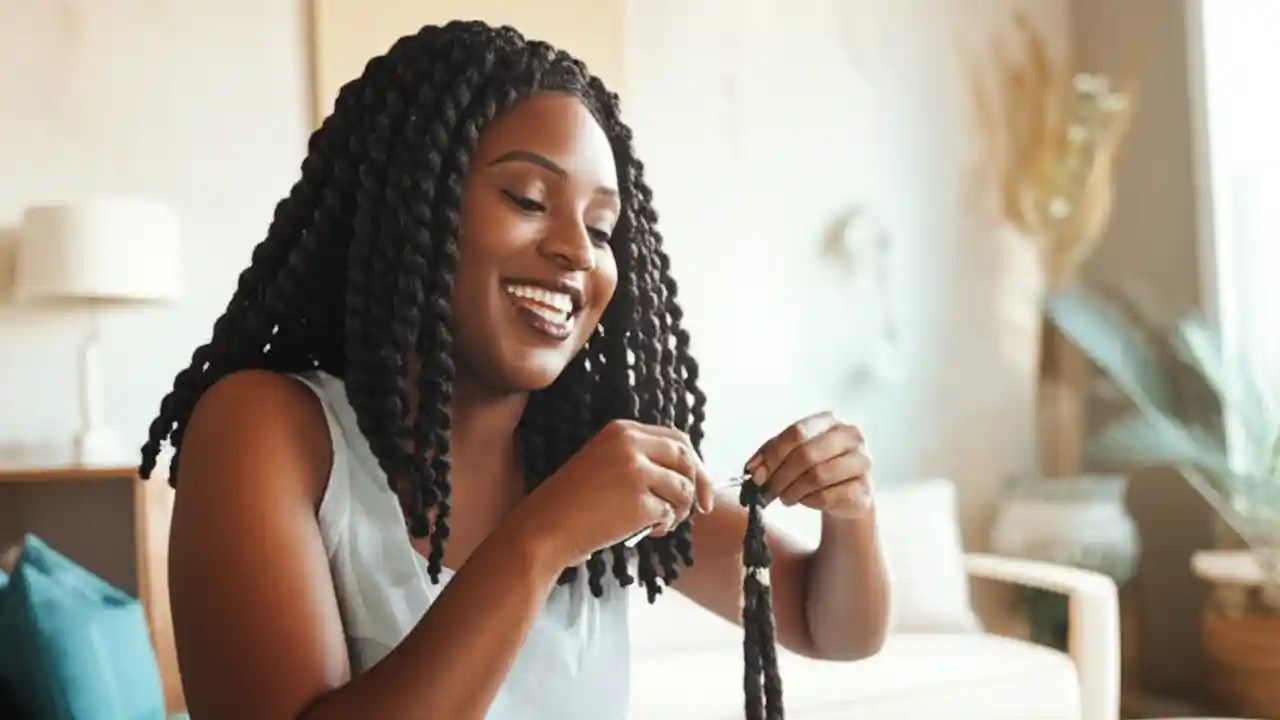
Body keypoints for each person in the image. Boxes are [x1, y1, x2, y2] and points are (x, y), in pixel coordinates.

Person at [142, 20, 889, 720]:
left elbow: (832, 627)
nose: (578, 251)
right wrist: (542, 538)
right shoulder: (266, 429)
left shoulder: (580, 450)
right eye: (528, 199)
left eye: (602, 228)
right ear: (414, 207)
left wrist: (851, 512)